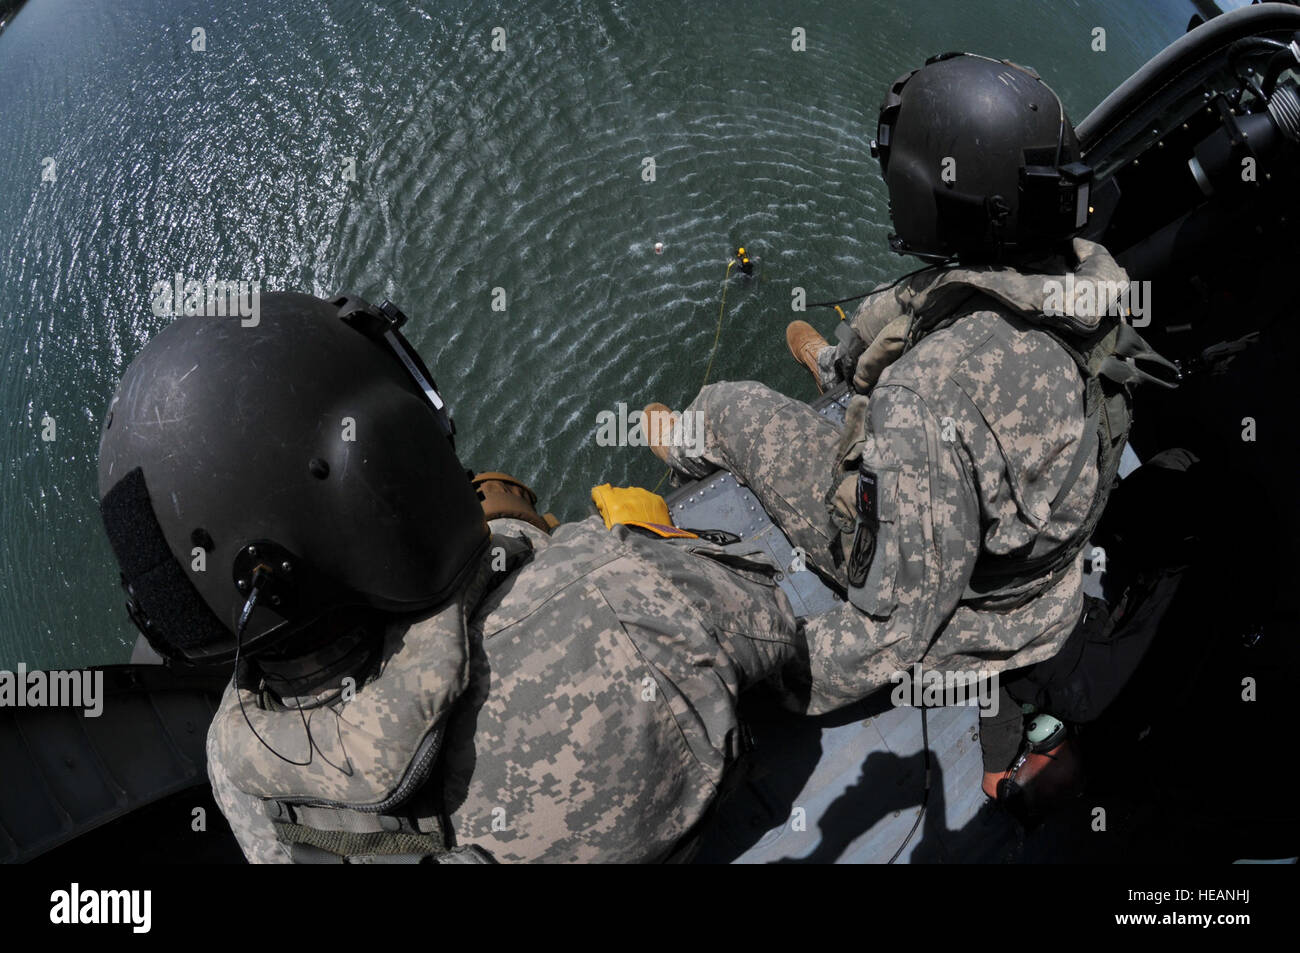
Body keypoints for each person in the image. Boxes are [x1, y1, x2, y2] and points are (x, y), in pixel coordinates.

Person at [96, 291, 807, 863]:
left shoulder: (241, 774)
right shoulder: (610, 592)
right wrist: (595, 543)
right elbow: (773, 620)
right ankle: (695, 435)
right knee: (717, 420)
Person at [646, 53, 1175, 805]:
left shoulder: (927, 398)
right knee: (889, 336)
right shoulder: (1092, 280)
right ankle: (840, 368)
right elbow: (948, 311)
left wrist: (760, 682)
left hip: (976, 620)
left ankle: (687, 441)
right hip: (1042, 568)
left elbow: (892, 630)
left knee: (728, 405)